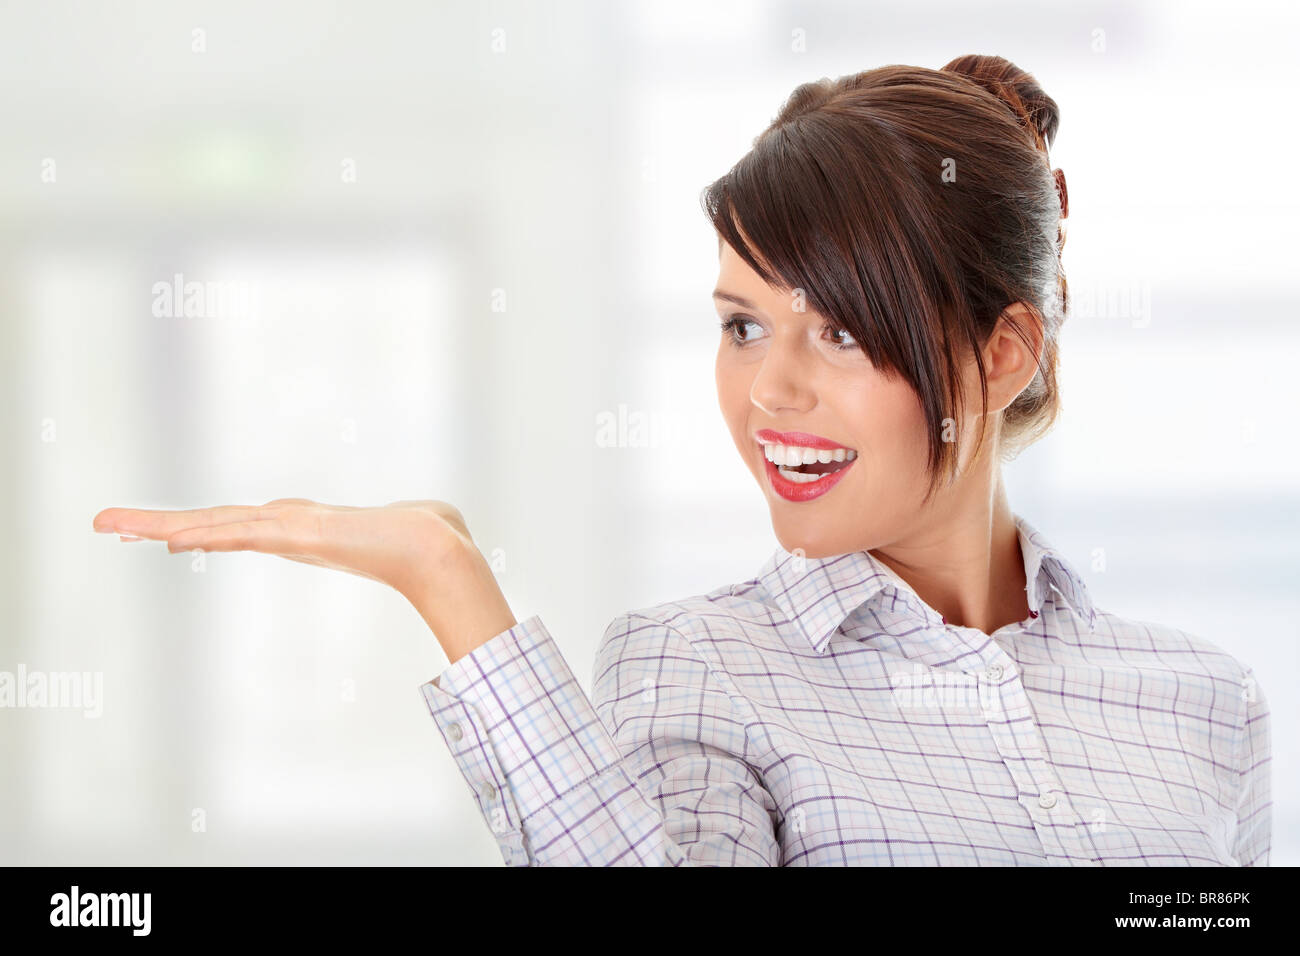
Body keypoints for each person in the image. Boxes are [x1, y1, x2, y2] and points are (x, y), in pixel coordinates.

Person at [92, 54, 1271, 866]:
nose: (772, 390)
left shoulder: (1206, 702)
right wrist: (448, 582)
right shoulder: (700, 662)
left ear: (1004, 348)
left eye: (843, 331)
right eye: (743, 323)